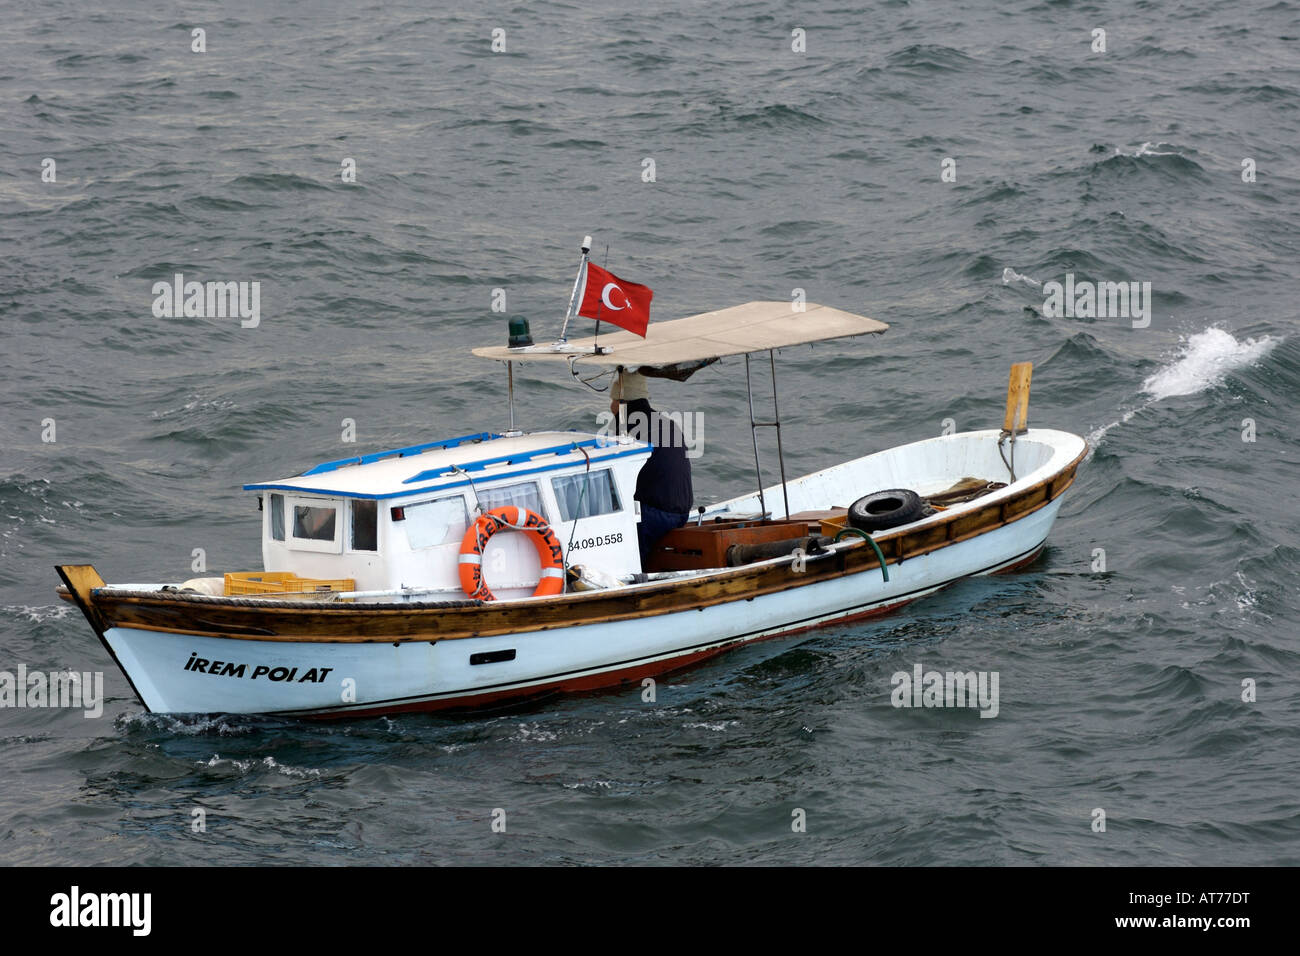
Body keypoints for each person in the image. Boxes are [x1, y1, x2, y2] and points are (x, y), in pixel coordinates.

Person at [609, 370, 693, 563]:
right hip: (682, 513)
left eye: (613, 400)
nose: (610, 406)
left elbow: (617, 476)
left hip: (656, 516)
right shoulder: (667, 423)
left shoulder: (628, 429)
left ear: (622, 404)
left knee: (616, 539)